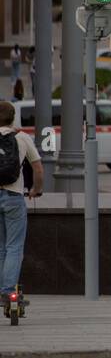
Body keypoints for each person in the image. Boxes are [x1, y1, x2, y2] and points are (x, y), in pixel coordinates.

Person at [0, 100, 43, 302]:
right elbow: (38, 168)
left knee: (1, 247)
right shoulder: (22, 137)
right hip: (14, 196)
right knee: (14, 247)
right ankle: (8, 292)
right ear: (12, 117)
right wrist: (35, 189)